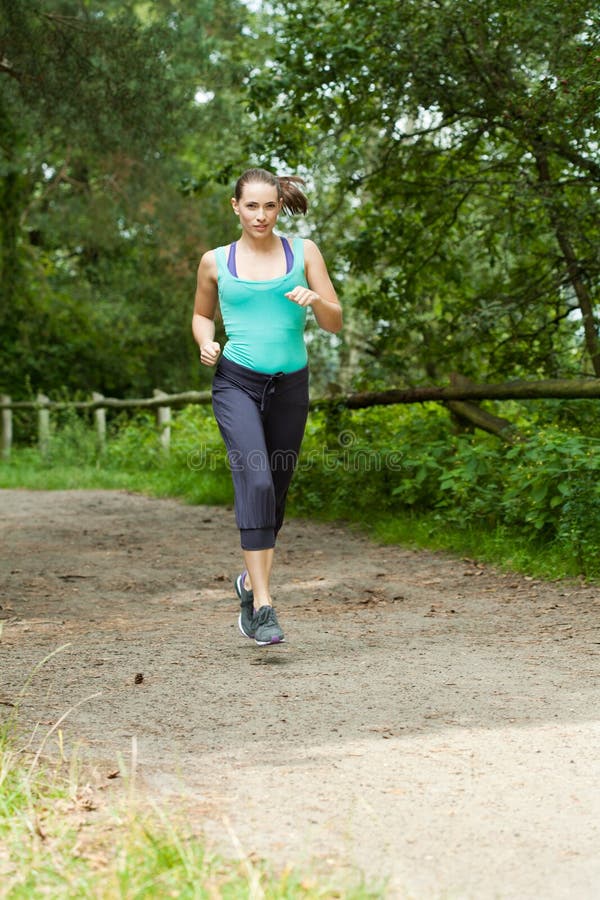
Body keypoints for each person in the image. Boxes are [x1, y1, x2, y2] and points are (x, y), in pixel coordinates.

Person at [192, 167, 342, 646]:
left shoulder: (304, 252)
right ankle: (262, 605)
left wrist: (316, 299)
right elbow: (201, 314)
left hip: (290, 387)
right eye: (251, 206)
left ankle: (246, 581)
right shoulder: (215, 261)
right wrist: (206, 342)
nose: (261, 215)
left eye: (269, 206)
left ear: (280, 206)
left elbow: (335, 321)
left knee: (275, 491)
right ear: (235, 207)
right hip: (236, 382)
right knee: (255, 478)